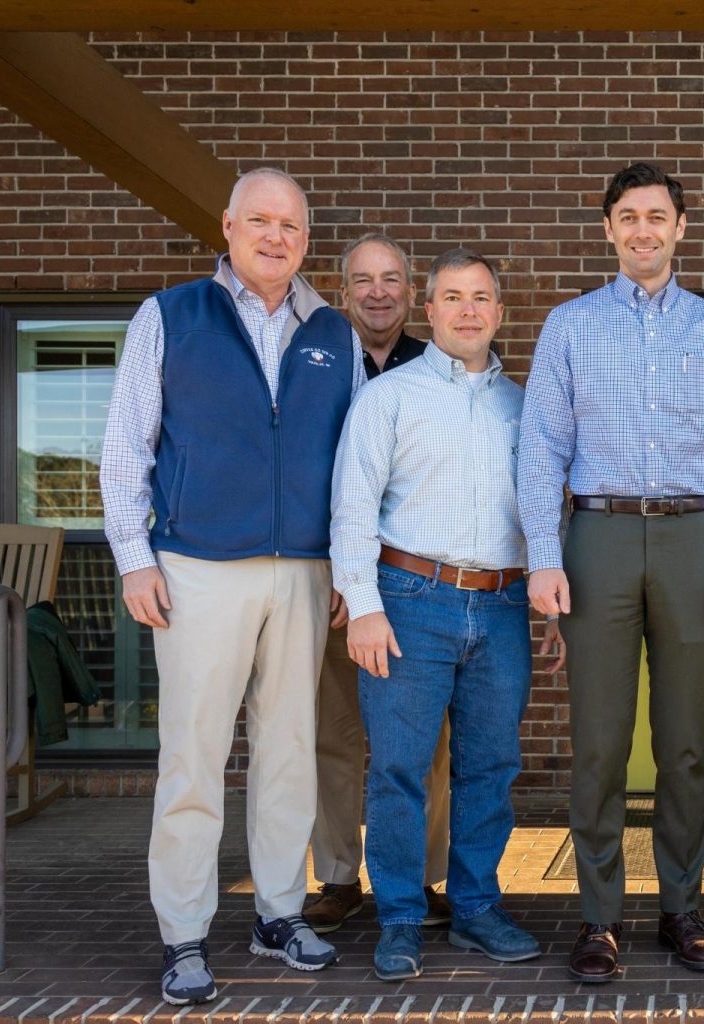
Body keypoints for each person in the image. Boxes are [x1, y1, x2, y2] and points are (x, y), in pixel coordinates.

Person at [100, 167, 361, 1005]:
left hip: (305, 571)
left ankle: (279, 914)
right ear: (228, 225)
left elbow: (354, 471)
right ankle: (183, 933)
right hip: (198, 568)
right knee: (194, 755)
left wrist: (349, 571)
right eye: (260, 221)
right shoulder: (170, 315)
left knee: (289, 751)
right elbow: (125, 446)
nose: (275, 236)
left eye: (290, 225)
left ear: (306, 240)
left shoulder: (335, 334)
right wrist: (134, 556)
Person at [518, 162, 704, 983]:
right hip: (600, 535)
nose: (642, 230)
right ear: (608, 229)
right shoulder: (569, 326)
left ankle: (681, 908)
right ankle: (599, 917)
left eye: (656, 216)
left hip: (694, 535)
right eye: (628, 216)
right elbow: (541, 447)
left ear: (680, 227)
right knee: (598, 741)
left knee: (686, 742)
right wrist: (545, 554)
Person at [331, 248, 564, 980]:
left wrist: (551, 607)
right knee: (398, 769)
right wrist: (363, 607)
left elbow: (543, 512)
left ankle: (476, 909)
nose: (468, 310)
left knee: (490, 767)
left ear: (500, 312)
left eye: (481, 297)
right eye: (453, 297)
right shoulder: (388, 397)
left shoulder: (524, 407)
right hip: (409, 601)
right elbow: (352, 509)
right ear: (428, 310)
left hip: (502, 606)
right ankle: (400, 917)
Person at [303, 233, 452, 935]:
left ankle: (422, 877)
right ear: (343, 292)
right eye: (363, 280)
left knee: (427, 740)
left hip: (418, 582)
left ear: (412, 292)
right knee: (333, 730)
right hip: (338, 583)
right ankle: (338, 876)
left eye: (391, 278)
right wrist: (341, 572)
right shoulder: (315, 366)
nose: (378, 292)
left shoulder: (441, 364)